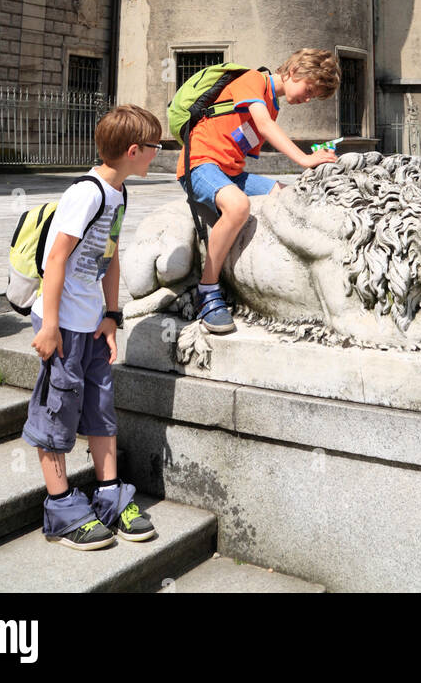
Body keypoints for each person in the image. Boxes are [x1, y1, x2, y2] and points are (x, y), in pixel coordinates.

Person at [21, 104, 162, 551]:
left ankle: (107, 495)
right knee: (56, 412)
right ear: (134, 150)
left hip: (91, 324)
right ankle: (61, 508)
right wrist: (50, 326)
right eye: (156, 147)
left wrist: (111, 315)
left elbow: (111, 256)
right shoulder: (87, 193)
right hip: (61, 325)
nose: (158, 154)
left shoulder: (119, 193)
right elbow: (56, 259)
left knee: (101, 407)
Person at [176, 49, 341, 334]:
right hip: (199, 166)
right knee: (238, 206)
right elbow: (264, 126)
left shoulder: (272, 104)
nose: (307, 98)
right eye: (309, 89)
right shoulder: (252, 80)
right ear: (294, 72)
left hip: (231, 173)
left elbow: (246, 137)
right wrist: (304, 159)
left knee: (290, 195)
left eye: (313, 95)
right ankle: (208, 289)